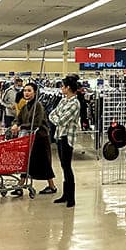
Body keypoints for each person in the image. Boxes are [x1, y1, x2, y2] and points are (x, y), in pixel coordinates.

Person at [9, 82, 57, 196]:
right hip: (29, 137)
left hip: (40, 138)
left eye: (29, 91)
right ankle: (20, 185)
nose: (26, 93)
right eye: (25, 90)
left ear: (35, 93)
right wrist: (15, 124)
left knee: (44, 163)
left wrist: (20, 127)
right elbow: (18, 118)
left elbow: (36, 123)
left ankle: (52, 186)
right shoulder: (25, 106)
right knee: (27, 161)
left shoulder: (38, 106)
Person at [48, 75, 81, 208]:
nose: (61, 88)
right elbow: (51, 114)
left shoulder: (75, 103)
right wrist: (57, 118)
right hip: (60, 136)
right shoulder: (63, 101)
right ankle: (65, 195)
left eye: (63, 86)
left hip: (67, 138)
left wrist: (57, 119)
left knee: (67, 167)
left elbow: (60, 120)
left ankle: (71, 198)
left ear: (68, 88)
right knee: (63, 166)